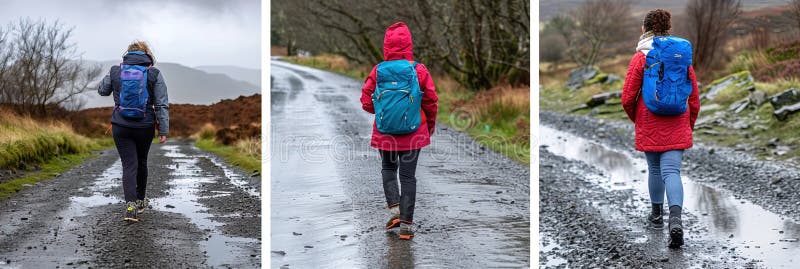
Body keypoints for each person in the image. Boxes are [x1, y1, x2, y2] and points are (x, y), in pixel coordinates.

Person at [621, 9, 700, 248]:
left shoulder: (640, 57)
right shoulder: (680, 55)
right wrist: (689, 123)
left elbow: (627, 97)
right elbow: (694, 96)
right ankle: (675, 220)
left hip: (649, 118)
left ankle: (656, 216)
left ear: (644, 29)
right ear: (668, 29)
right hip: (678, 119)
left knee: (655, 169)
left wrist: (639, 119)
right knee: (671, 171)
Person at [360, 22, 438, 240]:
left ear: (386, 46)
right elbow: (431, 100)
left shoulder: (378, 70)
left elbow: (366, 102)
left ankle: (395, 211)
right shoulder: (418, 70)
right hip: (413, 134)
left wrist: (382, 107)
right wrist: (429, 125)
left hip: (385, 132)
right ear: (409, 44)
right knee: (408, 176)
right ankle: (406, 226)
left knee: (388, 167)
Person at [98, 41, 169, 222]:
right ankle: (140, 201)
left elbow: (102, 90)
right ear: (147, 54)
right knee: (142, 162)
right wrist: (163, 130)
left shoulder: (116, 70)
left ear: (127, 54)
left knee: (129, 164)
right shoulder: (154, 73)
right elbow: (161, 104)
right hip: (144, 126)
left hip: (121, 125)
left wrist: (113, 77)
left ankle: (130, 206)